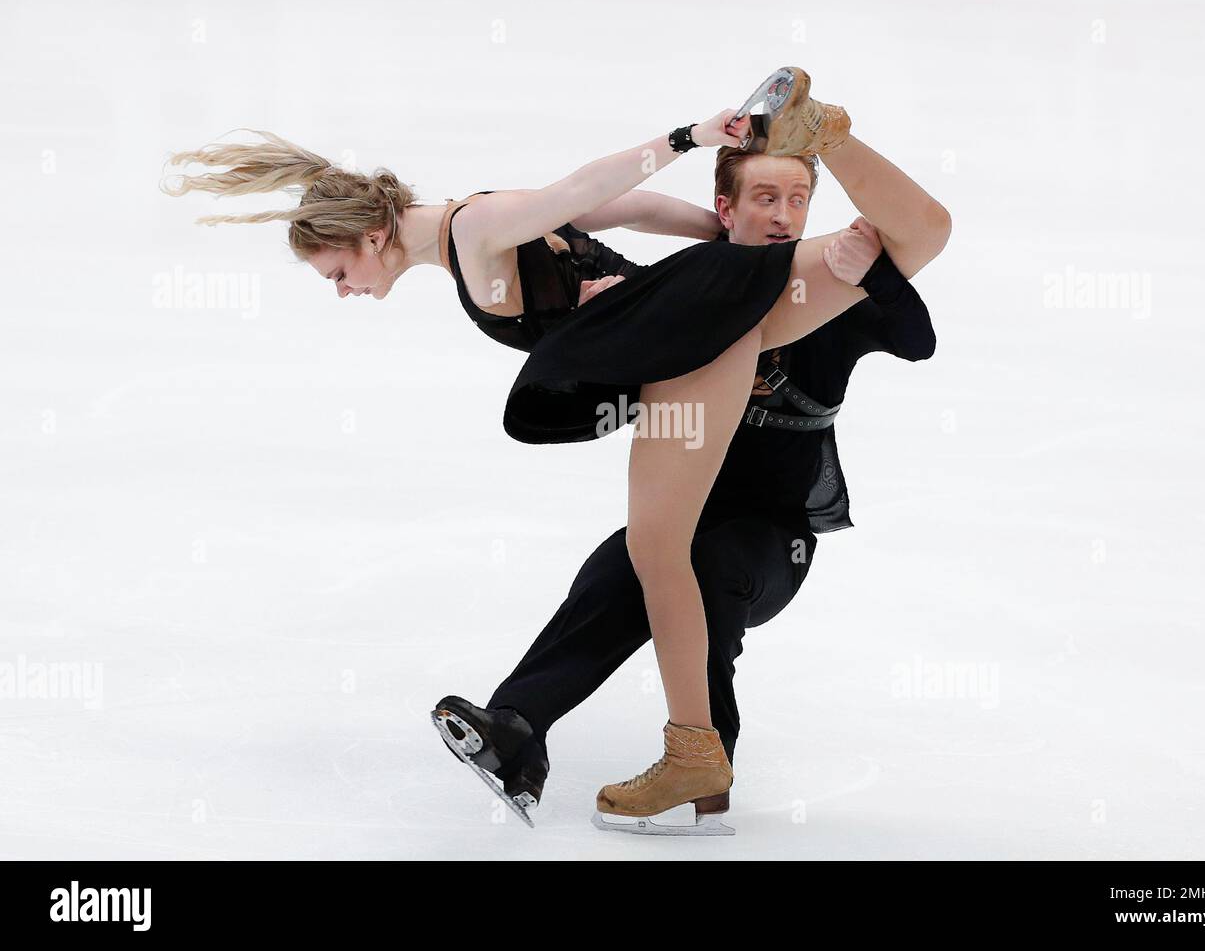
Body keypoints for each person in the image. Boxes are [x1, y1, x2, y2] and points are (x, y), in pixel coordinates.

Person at [161, 66, 950, 830]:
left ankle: (696, 754)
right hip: (675, 315)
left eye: (337, 271)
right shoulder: (478, 213)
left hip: (679, 342)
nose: (342, 289)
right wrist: (709, 238)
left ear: (371, 236)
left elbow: (583, 193)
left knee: (661, 548)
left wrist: (687, 138)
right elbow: (618, 211)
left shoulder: (471, 229)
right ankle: (608, 740)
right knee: (647, 552)